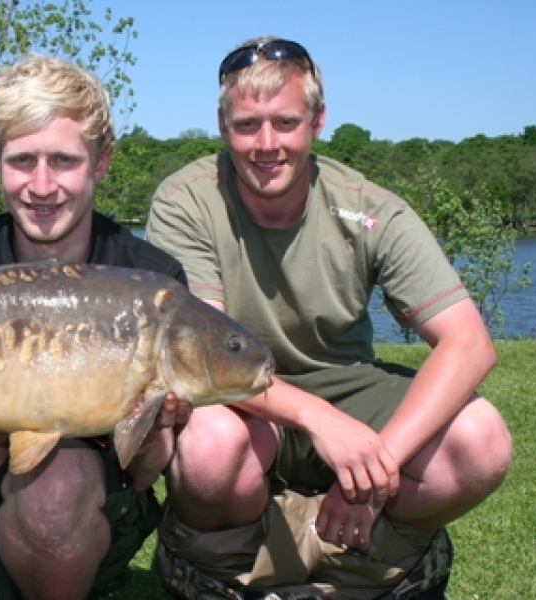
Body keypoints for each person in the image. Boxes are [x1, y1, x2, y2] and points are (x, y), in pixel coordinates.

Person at [145, 36, 513, 598]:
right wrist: (319, 418)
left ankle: (362, 557)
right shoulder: (186, 202)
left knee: (482, 442)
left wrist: (374, 470)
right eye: (247, 125)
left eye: (285, 123)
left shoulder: (370, 209)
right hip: (243, 398)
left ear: (317, 122)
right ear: (223, 128)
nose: (266, 144)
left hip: (350, 389)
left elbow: (468, 343)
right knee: (208, 447)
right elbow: (200, 357)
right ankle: (237, 566)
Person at [0, 53, 191, 600]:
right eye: (23, 160)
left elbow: (146, 472)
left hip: (98, 507)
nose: (43, 185)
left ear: (101, 162)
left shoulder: (153, 281)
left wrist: (157, 419)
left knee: (56, 488)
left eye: (64, 160)